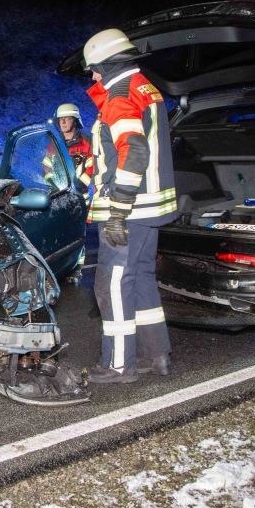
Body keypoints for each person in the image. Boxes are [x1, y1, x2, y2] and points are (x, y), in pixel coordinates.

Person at [80, 28, 178, 384]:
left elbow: (133, 150)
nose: (93, 76)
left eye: (94, 69)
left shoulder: (119, 95)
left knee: (113, 283)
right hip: (149, 208)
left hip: (129, 211)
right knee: (141, 281)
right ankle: (157, 356)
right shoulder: (144, 88)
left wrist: (118, 210)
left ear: (108, 64)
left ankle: (119, 364)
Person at [45, 102, 93, 191]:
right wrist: (52, 183)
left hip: (82, 194)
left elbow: (94, 166)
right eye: (60, 119)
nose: (63, 122)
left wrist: (79, 184)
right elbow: (47, 165)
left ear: (75, 121)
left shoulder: (87, 142)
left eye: (67, 118)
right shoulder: (54, 143)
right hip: (59, 191)